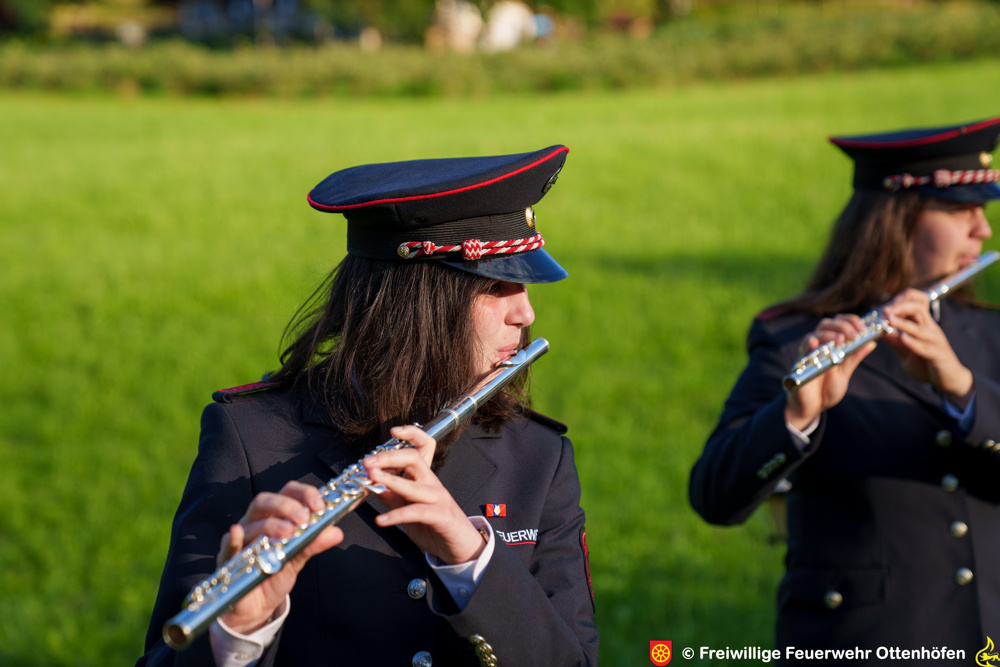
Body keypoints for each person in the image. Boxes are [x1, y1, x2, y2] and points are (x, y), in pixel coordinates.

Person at [137, 145, 599, 667]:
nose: (527, 311)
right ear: (414, 303)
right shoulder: (250, 438)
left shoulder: (538, 456)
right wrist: (238, 632)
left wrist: (471, 557)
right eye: (496, 286)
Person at [690, 117, 1000, 658]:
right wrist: (795, 416)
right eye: (958, 211)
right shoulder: (793, 339)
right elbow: (715, 498)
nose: (984, 231)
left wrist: (960, 386)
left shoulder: (989, 332)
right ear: (895, 220)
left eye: (983, 210)